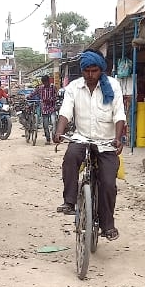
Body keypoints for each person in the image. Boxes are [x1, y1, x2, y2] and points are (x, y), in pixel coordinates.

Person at [52, 50, 127, 241]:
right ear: (82, 70)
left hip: (106, 142)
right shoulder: (74, 88)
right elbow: (65, 112)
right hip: (81, 138)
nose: (90, 75)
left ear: (101, 70)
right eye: (87, 71)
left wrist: (118, 138)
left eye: (94, 70)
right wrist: (59, 131)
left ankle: (107, 225)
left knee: (108, 184)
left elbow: (119, 115)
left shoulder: (113, 86)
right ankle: (69, 201)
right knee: (70, 158)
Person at [27, 74, 59, 144]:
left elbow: (56, 95)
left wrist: (51, 99)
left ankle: (54, 136)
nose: (46, 83)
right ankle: (48, 139)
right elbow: (33, 93)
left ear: (49, 81)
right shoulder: (40, 88)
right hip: (44, 108)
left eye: (46, 82)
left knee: (54, 123)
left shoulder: (53, 87)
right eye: (44, 82)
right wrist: (28, 97)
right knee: (45, 125)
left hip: (52, 107)